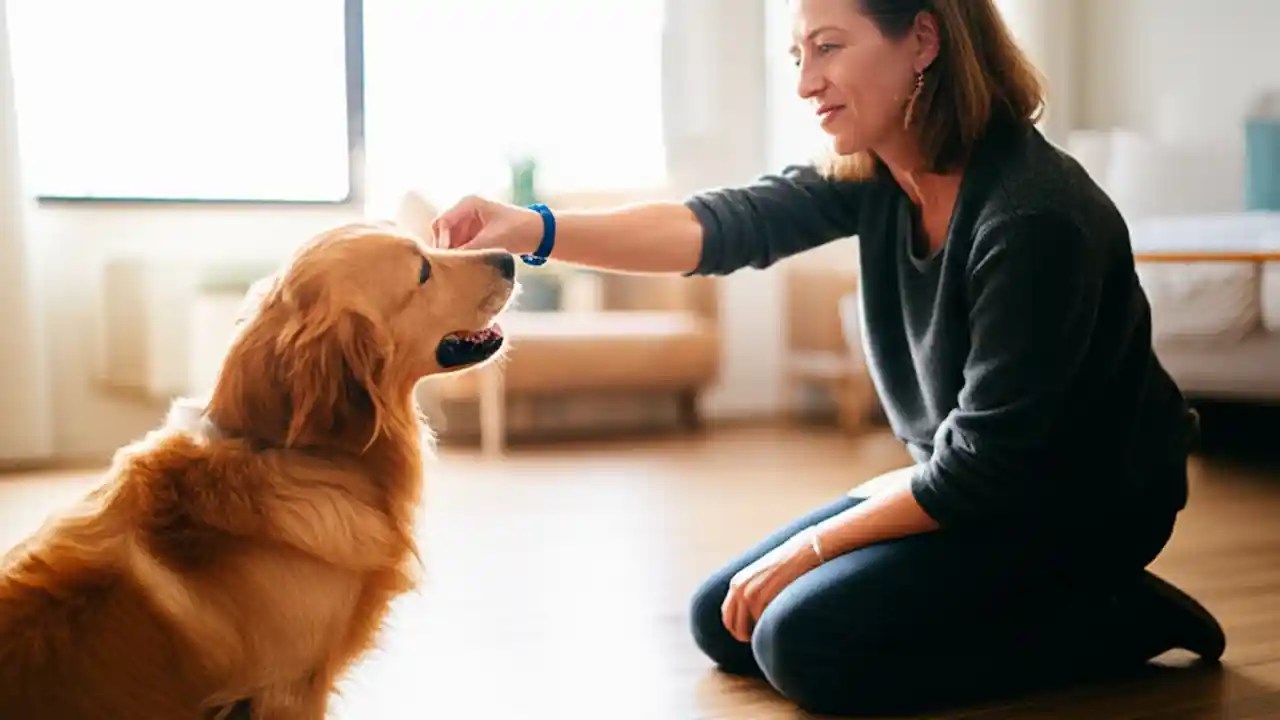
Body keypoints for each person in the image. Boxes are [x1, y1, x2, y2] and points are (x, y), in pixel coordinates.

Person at [431, 0, 1226, 714]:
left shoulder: (1033, 217)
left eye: (829, 47)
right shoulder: (882, 174)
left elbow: (990, 470)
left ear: (922, 38)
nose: (808, 81)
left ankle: (1119, 617)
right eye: (797, 55)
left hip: (1077, 510)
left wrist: (811, 547)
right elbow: (716, 227)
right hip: (970, 485)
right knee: (725, 620)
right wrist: (533, 228)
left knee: (803, 646)